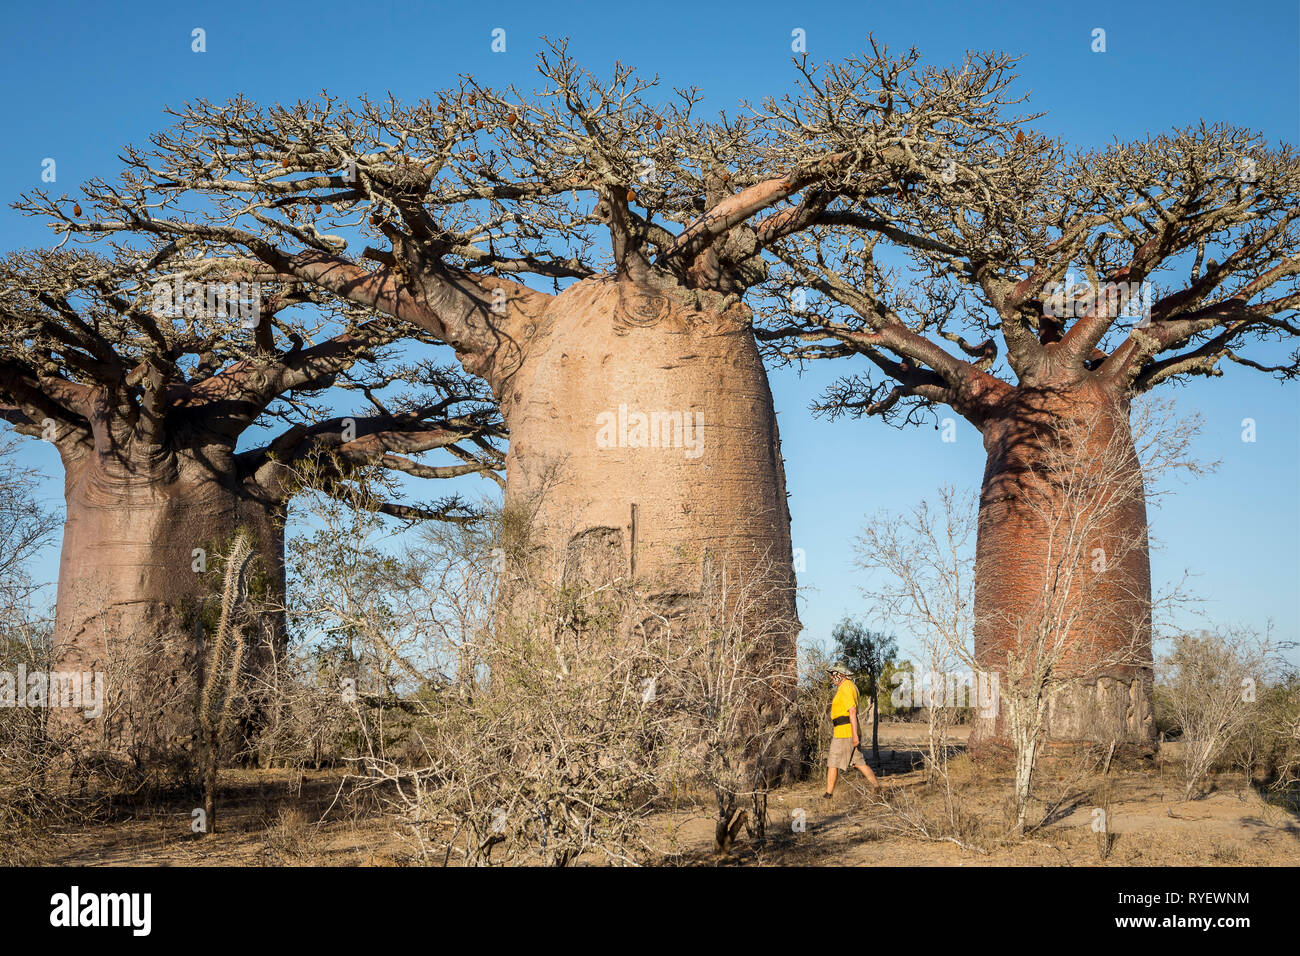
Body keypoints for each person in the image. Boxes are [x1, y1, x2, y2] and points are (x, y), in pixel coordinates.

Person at [824, 663, 881, 799]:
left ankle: (828, 795)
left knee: (833, 762)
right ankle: (878, 789)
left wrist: (854, 735)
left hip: (845, 733)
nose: (832, 678)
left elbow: (852, 711)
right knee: (859, 763)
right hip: (847, 731)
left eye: (833, 675)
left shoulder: (846, 688)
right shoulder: (847, 687)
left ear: (840, 675)